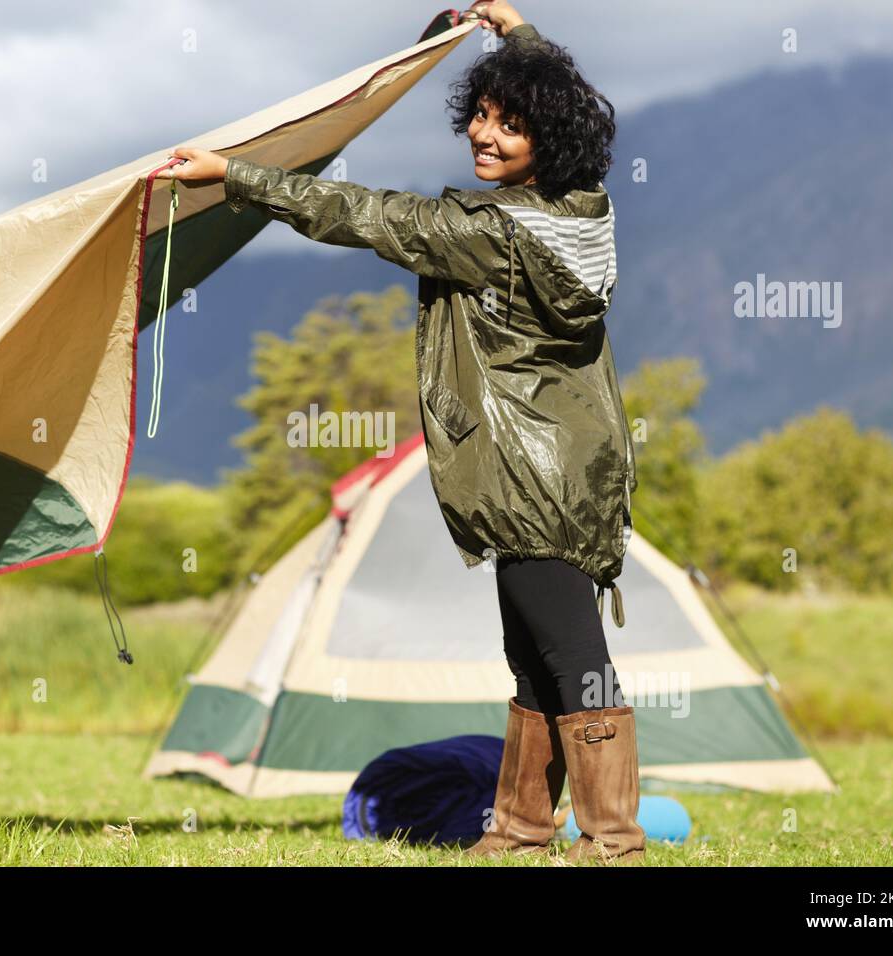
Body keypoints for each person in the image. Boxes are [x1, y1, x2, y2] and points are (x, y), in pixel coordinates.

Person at [159, 1, 645, 865]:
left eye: (510, 126)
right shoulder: (587, 212)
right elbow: (572, 99)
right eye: (483, 117)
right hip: (580, 465)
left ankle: (613, 843)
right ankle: (521, 833)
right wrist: (520, 35)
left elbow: (365, 214)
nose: (484, 136)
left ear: (550, 140)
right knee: (538, 658)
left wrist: (235, 174)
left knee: (573, 657)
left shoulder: (487, 235)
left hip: (528, 478)